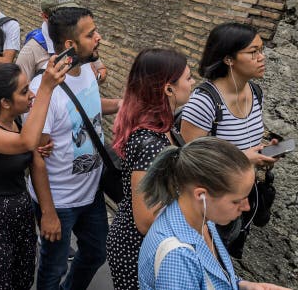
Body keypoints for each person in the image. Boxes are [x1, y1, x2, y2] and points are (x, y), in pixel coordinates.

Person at [28, 6, 121, 290]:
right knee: (52, 268)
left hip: (91, 193)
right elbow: (36, 156)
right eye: (91, 34)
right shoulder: (44, 90)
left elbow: (88, 109)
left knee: (96, 253)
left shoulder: (88, 71)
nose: (99, 38)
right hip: (59, 201)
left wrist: (119, 104)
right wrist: (48, 212)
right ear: (70, 45)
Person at [0, 61, 69, 289]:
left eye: (30, 88)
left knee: (21, 279)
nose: (31, 95)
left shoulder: (16, 122)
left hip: (19, 213)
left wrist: (48, 213)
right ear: (5, 102)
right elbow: (26, 142)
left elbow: (35, 162)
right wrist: (46, 89)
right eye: (24, 91)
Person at [179, 22, 280, 258]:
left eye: (261, 50)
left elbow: (243, 140)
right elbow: (189, 166)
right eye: (253, 52)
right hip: (210, 209)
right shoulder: (204, 102)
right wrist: (245, 159)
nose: (262, 57)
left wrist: (263, 153)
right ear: (228, 59)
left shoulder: (255, 92)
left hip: (238, 201)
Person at [137, 138, 290, 290]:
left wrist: (244, 286)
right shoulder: (178, 257)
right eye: (237, 201)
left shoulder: (202, 218)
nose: (247, 207)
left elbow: (213, 279)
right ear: (201, 195)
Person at [106, 49, 195, 290]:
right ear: (168, 89)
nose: (193, 82)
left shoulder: (166, 128)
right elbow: (145, 220)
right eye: (188, 78)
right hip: (138, 250)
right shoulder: (152, 143)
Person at [17, 0, 108, 84]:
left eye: (71, 12)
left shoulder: (83, 42)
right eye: (59, 14)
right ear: (44, 16)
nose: (67, 18)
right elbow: (19, 92)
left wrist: (92, 80)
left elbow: (101, 70)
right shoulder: (31, 50)